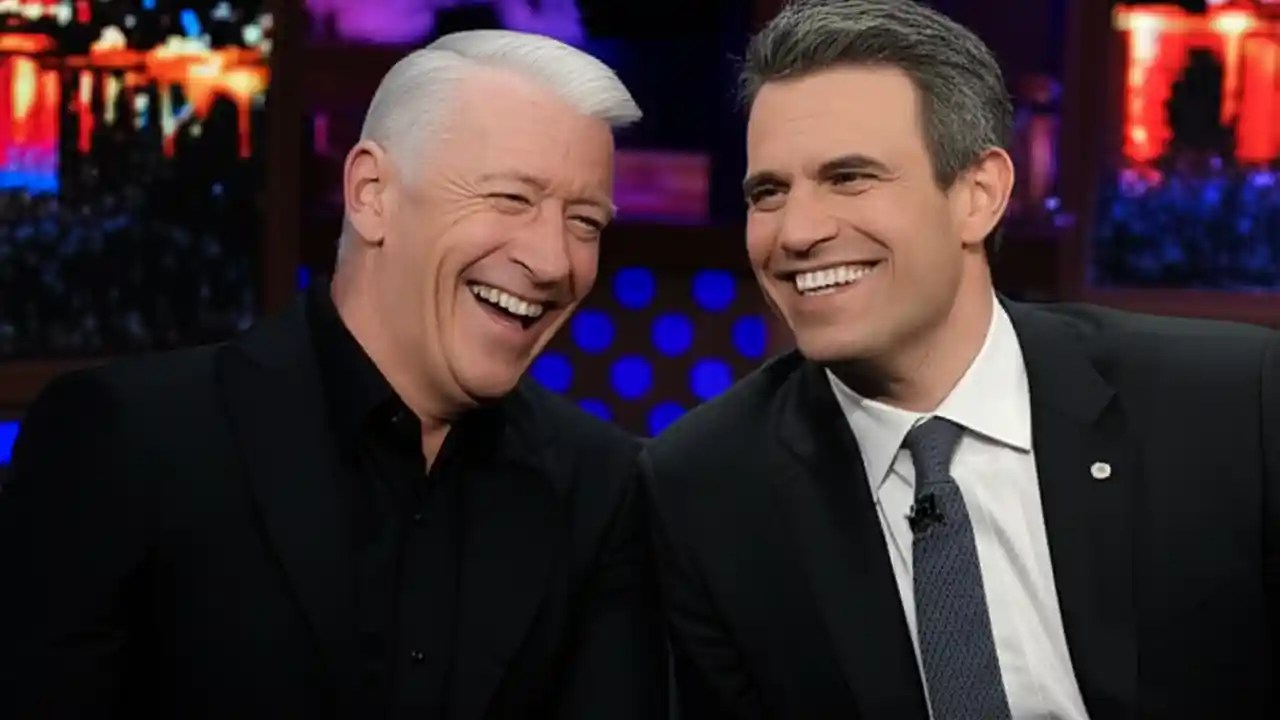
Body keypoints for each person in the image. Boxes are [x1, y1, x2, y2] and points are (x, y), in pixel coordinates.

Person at [0, 30, 667, 718]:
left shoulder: (606, 489)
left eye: (585, 222)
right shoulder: (127, 441)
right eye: (509, 199)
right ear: (371, 193)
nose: (554, 260)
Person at [643, 1, 1280, 718]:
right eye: (769, 192)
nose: (797, 232)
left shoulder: (1228, 405)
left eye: (850, 177)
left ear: (978, 197)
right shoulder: (710, 485)